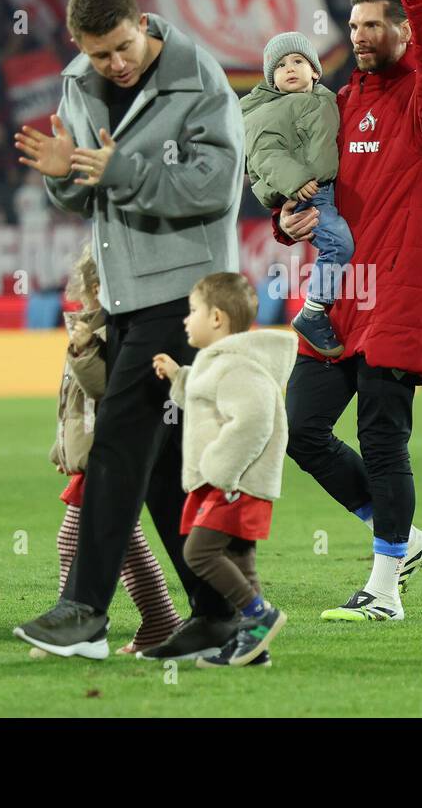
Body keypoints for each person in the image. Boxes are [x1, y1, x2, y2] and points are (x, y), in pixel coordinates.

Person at [12, 0, 244, 660]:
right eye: (99, 53)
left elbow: (216, 183)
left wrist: (122, 171)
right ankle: (220, 614)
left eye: (122, 47)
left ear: (142, 24)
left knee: (117, 441)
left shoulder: (198, 78)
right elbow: (81, 189)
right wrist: (63, 174)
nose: (114, 64)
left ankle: (83, 613)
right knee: (169, 463)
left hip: (187, 295)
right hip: (124, 296)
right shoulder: (77, 86)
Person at [274, 0, 422, 622]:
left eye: (375, 25)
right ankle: (402, 537)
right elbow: (315, 187)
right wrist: (289, 220)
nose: (360, 36)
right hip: (339, 299)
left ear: (403, 31)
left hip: (399, 292)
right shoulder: (342, 102)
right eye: (354, 25)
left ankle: (384, 591)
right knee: (301, 431)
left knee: (385, 439)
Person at [151, 273, 296, 667]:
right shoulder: (218, 364)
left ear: (216, 318)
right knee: (240, 560)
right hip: (230, 482)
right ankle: (253, 649)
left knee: (198, 552)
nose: (186, 320)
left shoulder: (238, 366)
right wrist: (179, 377)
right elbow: (207, 402)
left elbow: (253, 420)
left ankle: (258, 614)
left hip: (233, 482)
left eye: (193, 311)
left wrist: (220, 469)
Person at [48, 242, 182, 656]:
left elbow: (103, 389)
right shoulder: (98, 325)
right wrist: (65, 453)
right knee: (123, 539)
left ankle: (76, 623)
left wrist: (84, 350)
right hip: (95, 450)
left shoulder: (115, 330)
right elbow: (71, 404)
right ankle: (159, 619)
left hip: (112, 447)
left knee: (76, 538)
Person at [240, 32, 349, 357]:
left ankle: (317, 309)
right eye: (280, 65)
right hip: (307, 191)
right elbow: (266, 155)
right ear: (271, 79)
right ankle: (312, 310)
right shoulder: (268, 111)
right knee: (340, 244)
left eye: (298, 61)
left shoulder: (326, 99)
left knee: (341, 245)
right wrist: (297, 179)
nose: (290, 68)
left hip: (322, 188)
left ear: (315, 70)